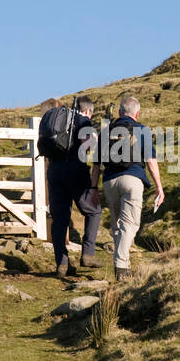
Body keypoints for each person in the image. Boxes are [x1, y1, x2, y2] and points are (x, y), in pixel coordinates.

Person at [93, 93, 164, 281]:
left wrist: (93, 188)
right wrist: (159, 186)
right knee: (130, 224)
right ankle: (121, 267)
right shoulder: (142, 130)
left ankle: (125, 265)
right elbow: (150, 160)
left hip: (109, 182)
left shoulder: (105, 132)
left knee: (117, 226)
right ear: (137, 113)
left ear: (119, 112)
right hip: (132, 179)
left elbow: (96, 165)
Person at [47, 95, 102, 277]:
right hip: (75, 169)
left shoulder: (61, 120)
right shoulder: (83, 120)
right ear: (88, 111)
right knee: (93, 210)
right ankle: (88, 254)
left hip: (54, 170)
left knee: (60, 219)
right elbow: (90, 144)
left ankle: (62, 265)